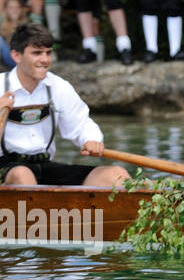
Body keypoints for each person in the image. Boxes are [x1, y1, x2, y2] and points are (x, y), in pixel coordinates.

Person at [0, 24, 128, 187]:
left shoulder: (58, 86)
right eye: (37, 53)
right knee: (22, 174)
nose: (45, 60)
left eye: (48, 52)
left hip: (44, 165)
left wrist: (91, 139)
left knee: (116, 175)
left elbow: (81, 125)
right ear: (16, 56)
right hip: (5, 168)